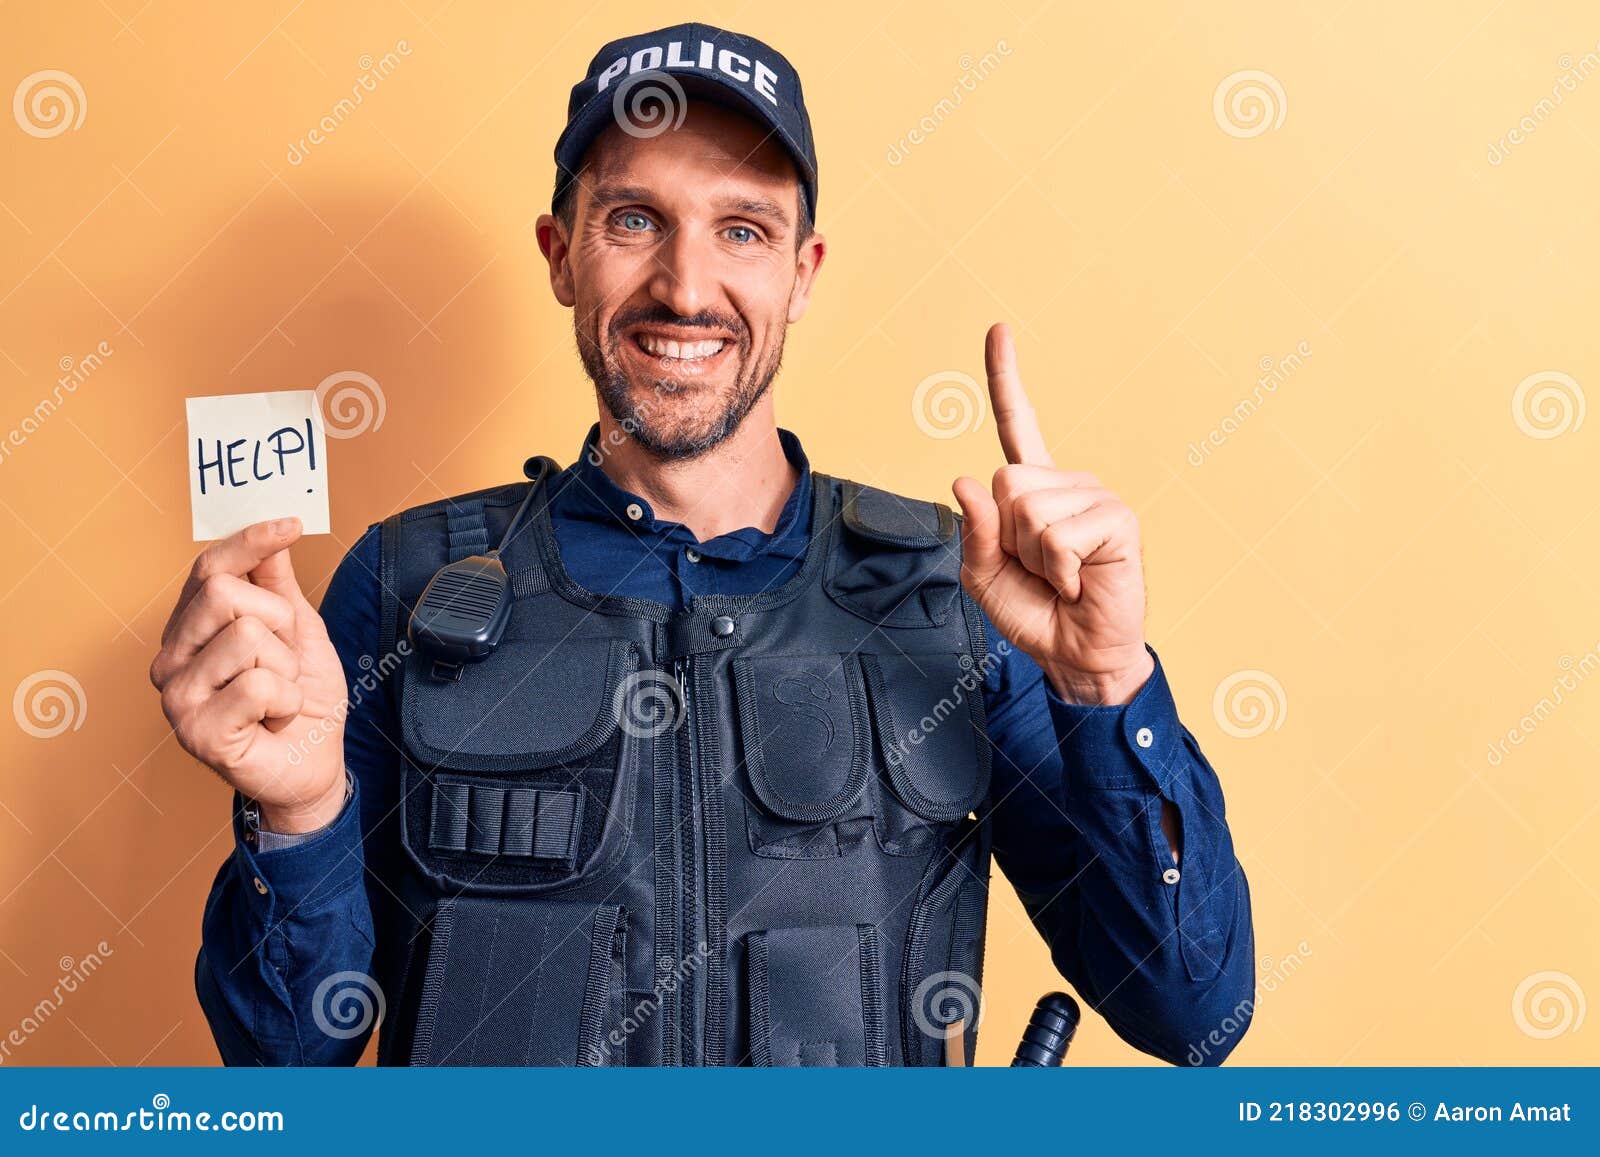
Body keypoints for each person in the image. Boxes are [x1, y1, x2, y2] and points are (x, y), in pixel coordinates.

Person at [151, 23, 1254, 1067]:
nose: (685, 287)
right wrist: (296, 813)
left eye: (742, 229)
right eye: (634, 218)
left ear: (804, 270)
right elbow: (283, 1070)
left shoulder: (958, 592)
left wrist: (1108, 684)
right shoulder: (400, 586)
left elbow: (1193, 1012)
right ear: (560, 253)